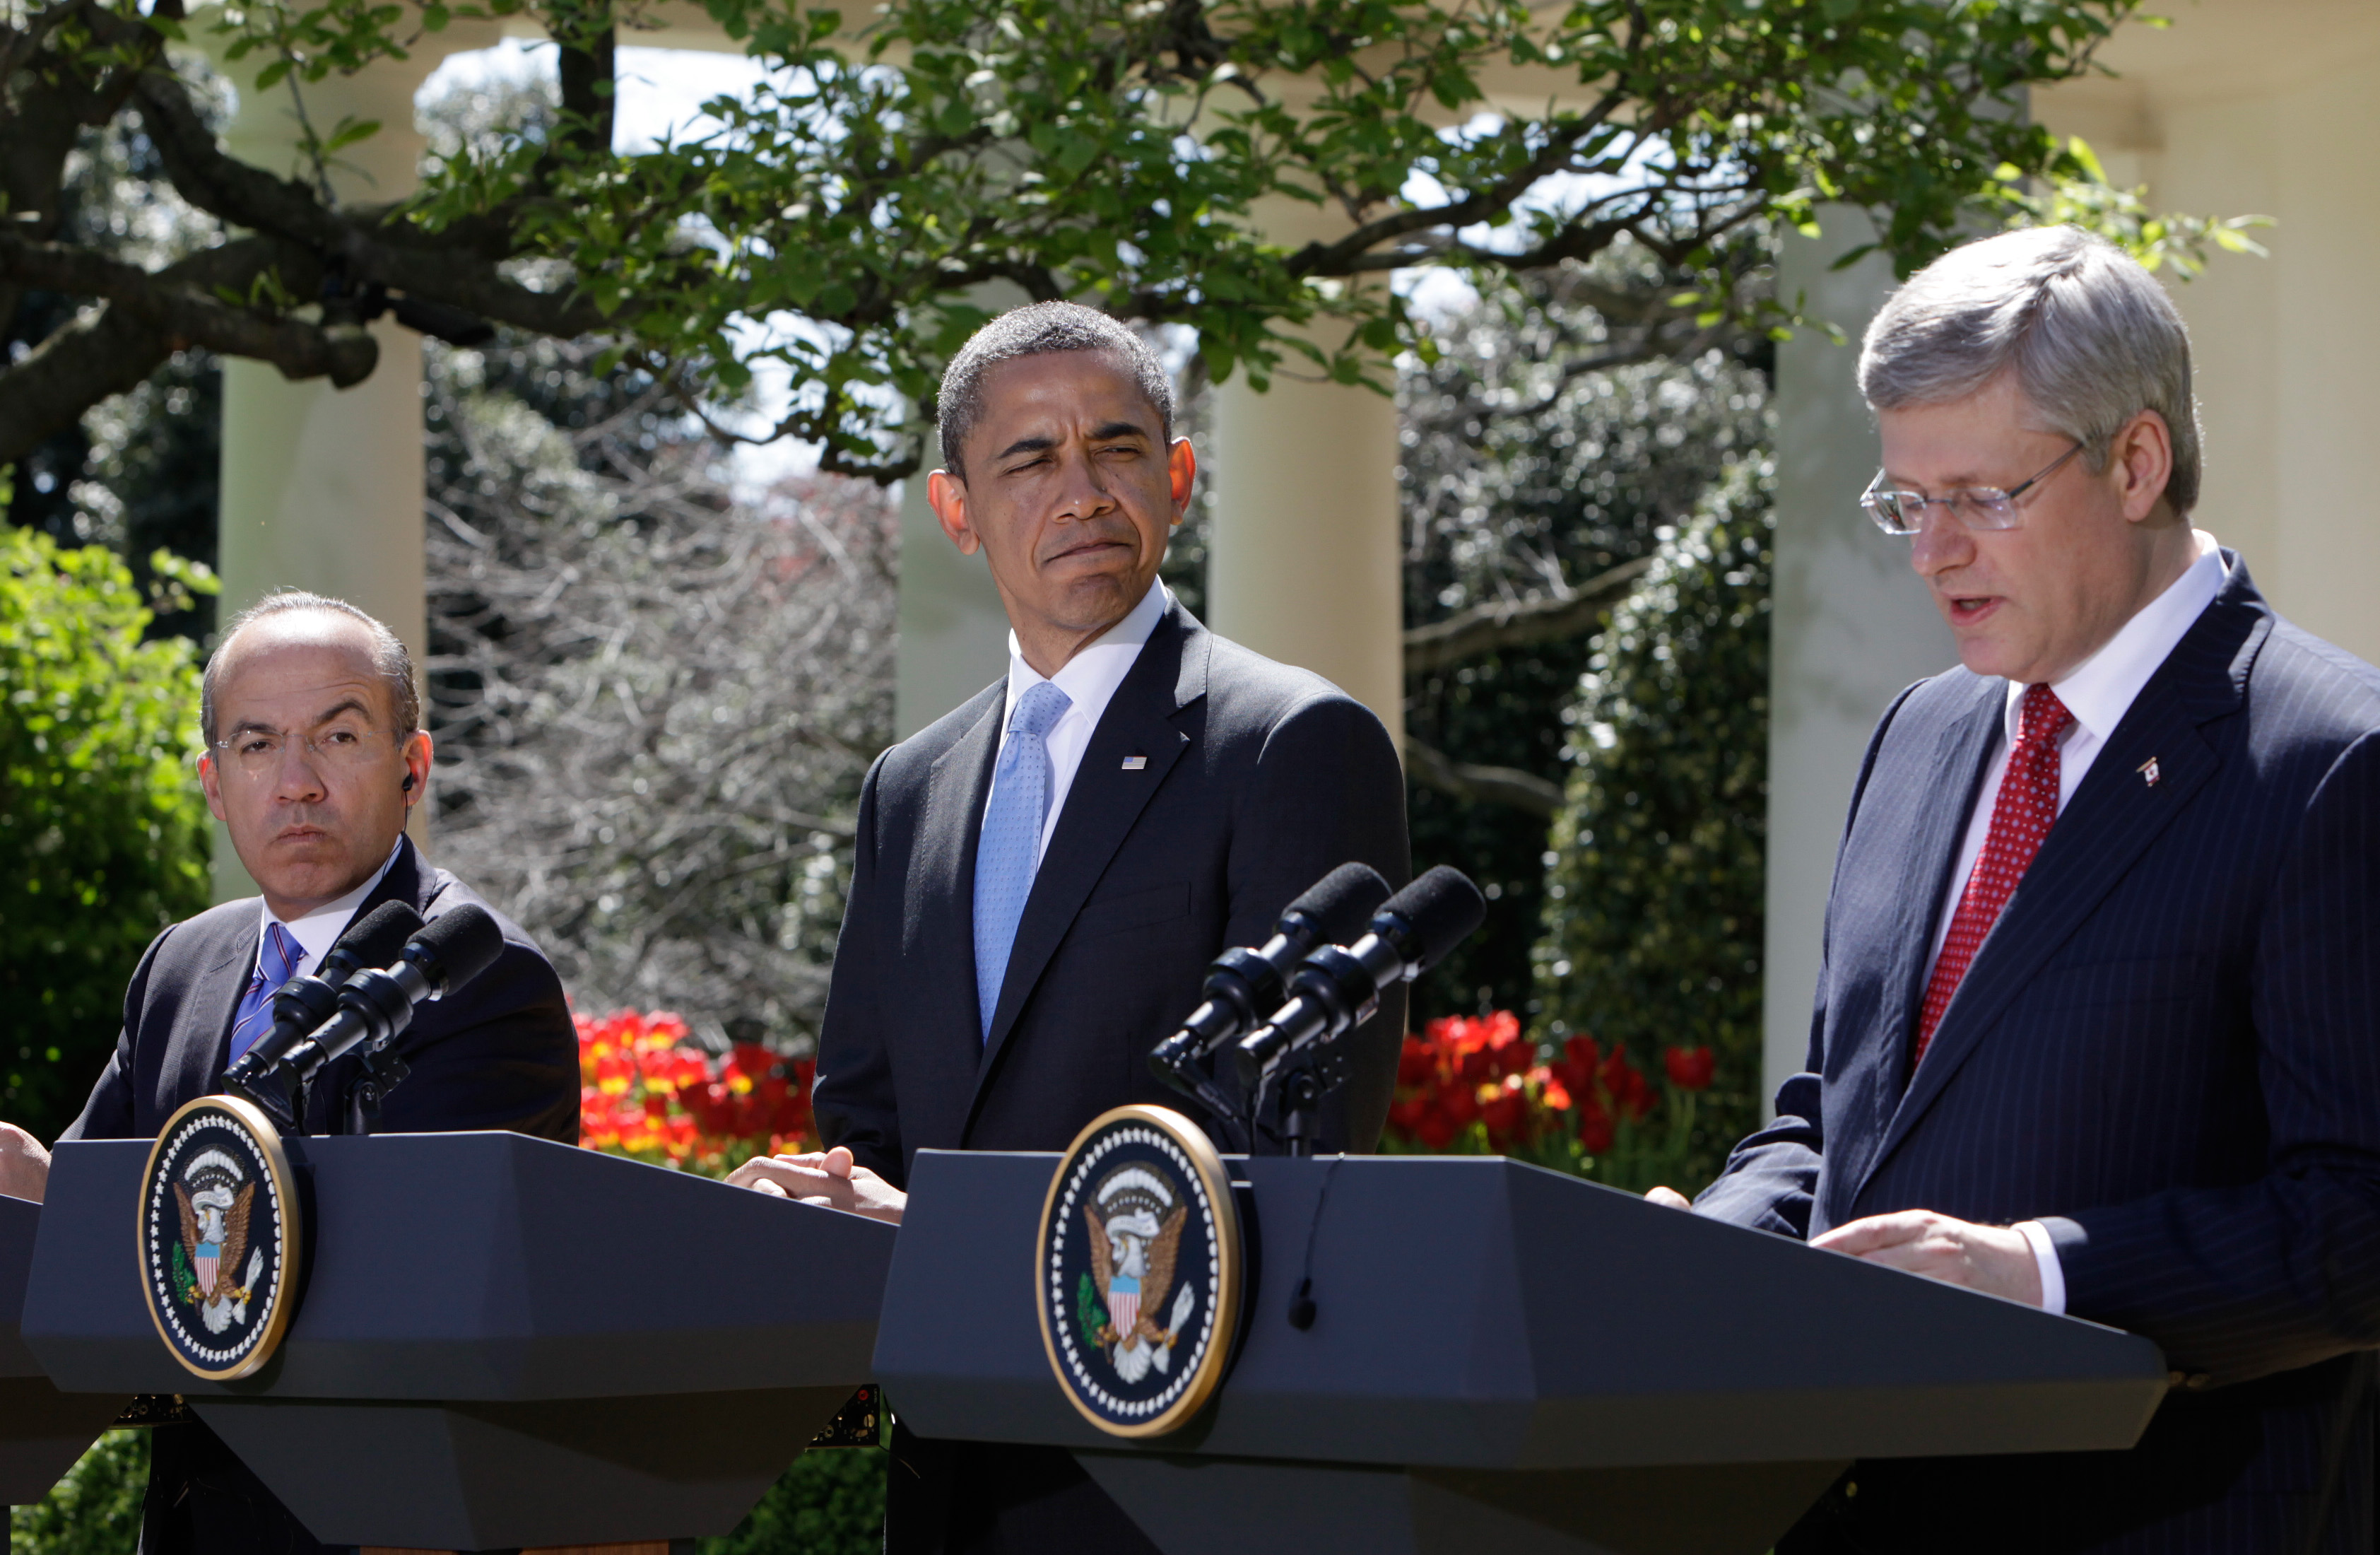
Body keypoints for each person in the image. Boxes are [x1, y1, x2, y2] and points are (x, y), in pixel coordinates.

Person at [1661, 225, 2380, 1551]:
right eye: (1904, 502)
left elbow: (2358, 1218)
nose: (1931, 553)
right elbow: (1839, 1119)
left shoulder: (2333, 761)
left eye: (1983, 497)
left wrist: (2040, 1274)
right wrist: (1708, 1254)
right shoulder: (1923, 732)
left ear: (2136, 463)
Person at [729, 302, 1409, 1552]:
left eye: (1119, 448)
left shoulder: (1294, 745)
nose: (1084, 490)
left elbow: (1283, 1139)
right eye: (1031, 460)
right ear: (955, 510)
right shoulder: (910, 788)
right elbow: (867, 1114)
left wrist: (946, 1236)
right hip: (950, 1482)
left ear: (1180, 476)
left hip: (1182, 1469)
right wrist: (814, 1207)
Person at [1, 591, 578, 1554]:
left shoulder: (478, 977)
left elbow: (402, 1279)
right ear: (214, 781)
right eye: (258, 745)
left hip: (392, 1524)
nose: (296, 782)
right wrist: (31, 1200)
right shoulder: (179, 967)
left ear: (413, 765)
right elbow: (104, 1216)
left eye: (338, 737)